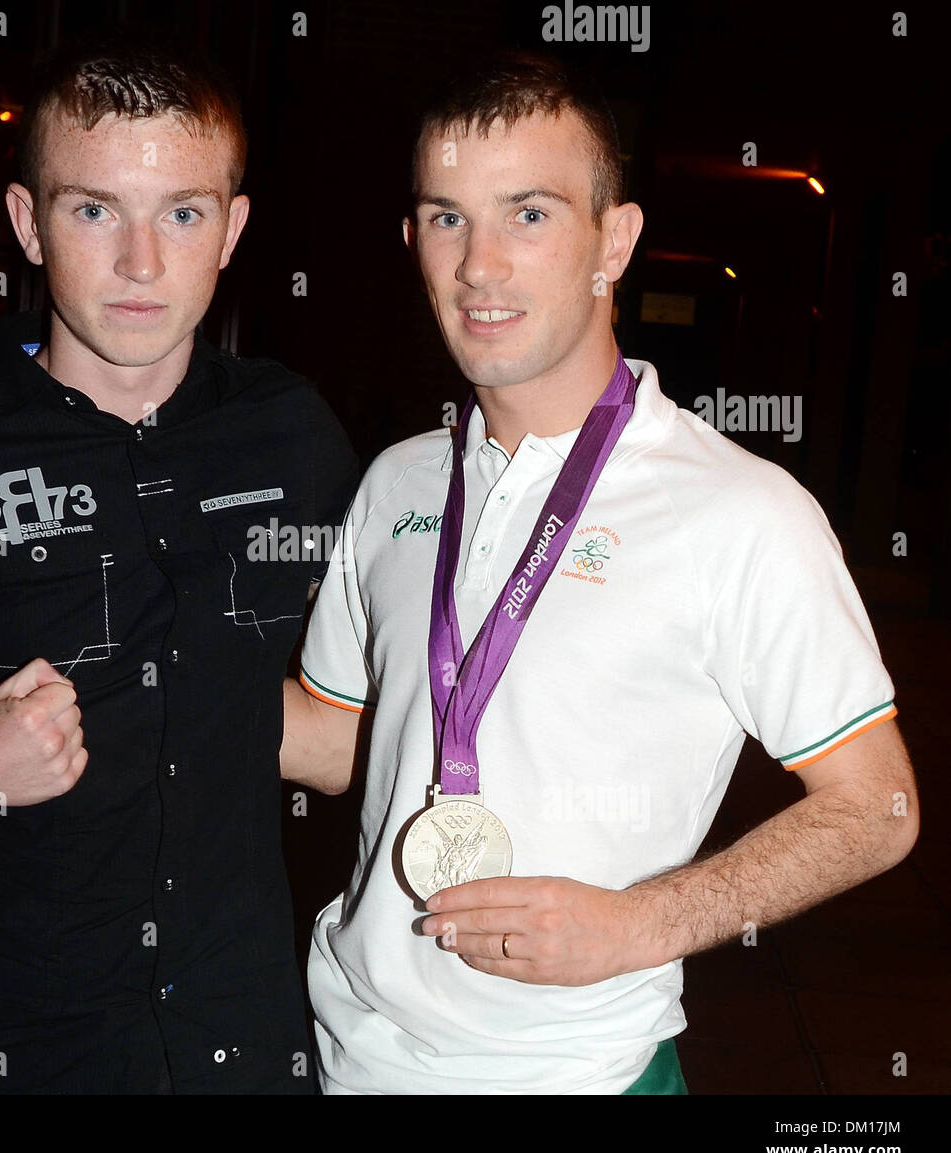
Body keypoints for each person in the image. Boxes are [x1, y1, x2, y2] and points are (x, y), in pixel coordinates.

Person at [279, 50, 918, 1094]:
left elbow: (877, 809)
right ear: (411, 241)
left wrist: (639, 924)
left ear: (610, 242)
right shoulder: (396, 482)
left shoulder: (739, 513)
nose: (478, 266)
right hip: (344, 1052)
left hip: (576, 1072)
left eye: (527, 214)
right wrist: (147, 678)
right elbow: (336, 738)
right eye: (446, 218)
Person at [0, 34, 359, 1094]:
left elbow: (341, 719)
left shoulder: (295, 437)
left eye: (181, 212)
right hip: (5, 1051)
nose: (141, 262)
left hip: (248, 1037)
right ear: (26, 224)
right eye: (94, 210)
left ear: (233, 229)